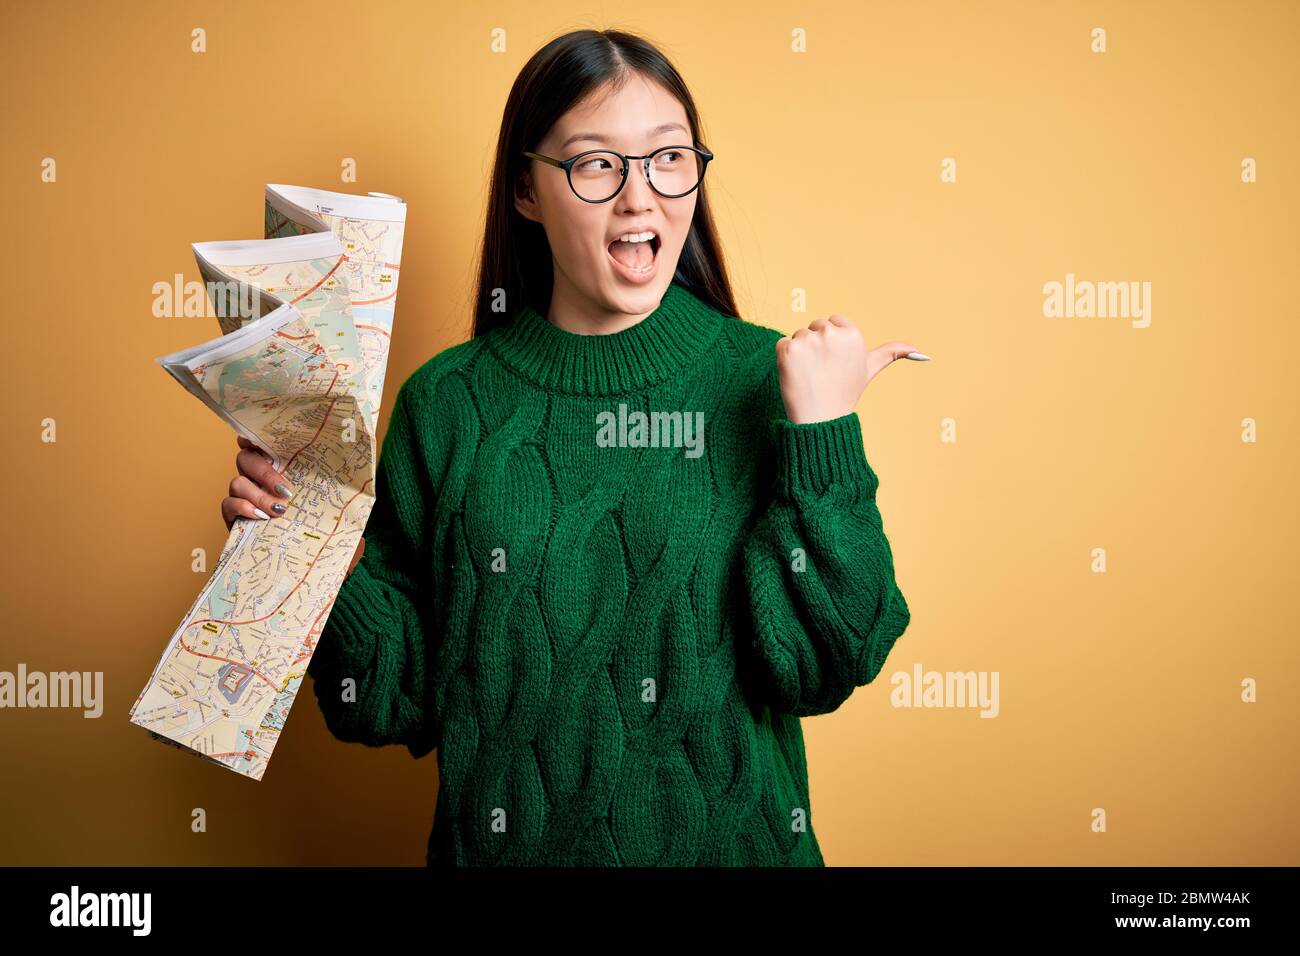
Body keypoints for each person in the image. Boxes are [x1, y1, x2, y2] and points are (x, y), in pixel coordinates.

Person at [221, 28, 919, 866]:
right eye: (597, 164)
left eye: (669, 159)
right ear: (526, 188)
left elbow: (825, 666)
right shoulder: (445, 406)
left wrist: (824, 440)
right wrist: (304, 550)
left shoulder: (769, 381)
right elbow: (384, 700)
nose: (641, 198)